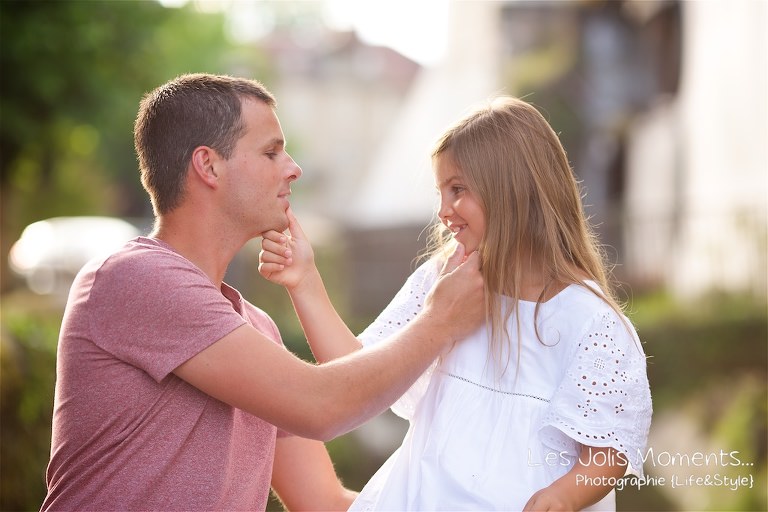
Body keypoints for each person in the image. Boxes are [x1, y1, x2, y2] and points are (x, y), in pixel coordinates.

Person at [41, 73, 486, 511]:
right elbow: (322, 405)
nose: (294, 168)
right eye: (272, 152)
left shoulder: (256, 328)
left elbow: (324, 502)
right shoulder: (136, 277)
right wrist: (440, 320)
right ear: (208, 165)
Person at [259, 96, 652, 511]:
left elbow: (610, 448)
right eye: (441, 192)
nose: (443, 211)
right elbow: (355, 369)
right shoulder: (443, 281)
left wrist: (562, 496)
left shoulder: (591, 321)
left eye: (458, 189)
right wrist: (305, 280)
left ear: (512, 191)